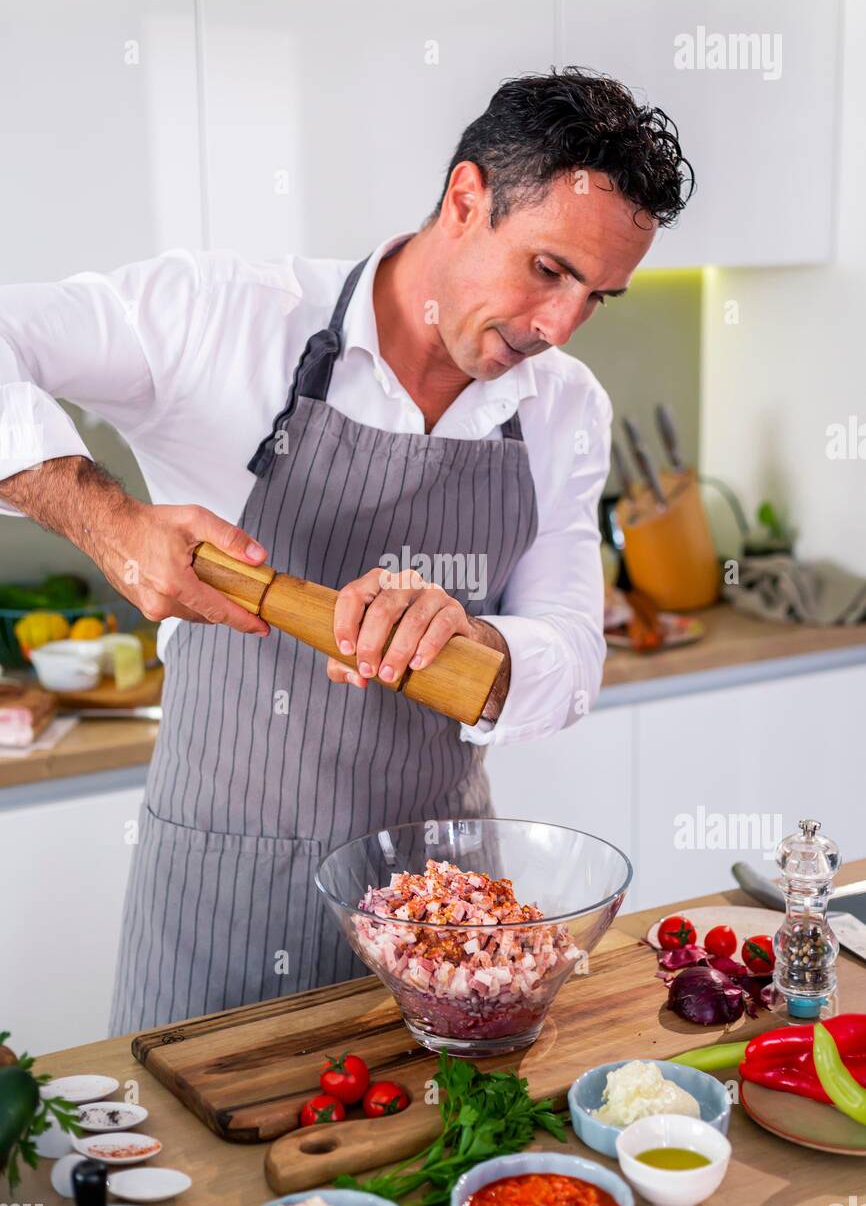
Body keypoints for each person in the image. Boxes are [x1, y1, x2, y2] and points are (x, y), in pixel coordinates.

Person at [0, 67, 693, 1032]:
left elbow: (572, 652)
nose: (559, 327)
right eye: (547, 270)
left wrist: (480, 645)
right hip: (221, 894)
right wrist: (104, 520)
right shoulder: (224, 317)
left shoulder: (565, 407)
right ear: (465, 199)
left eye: (597, 297)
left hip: (445, 923)